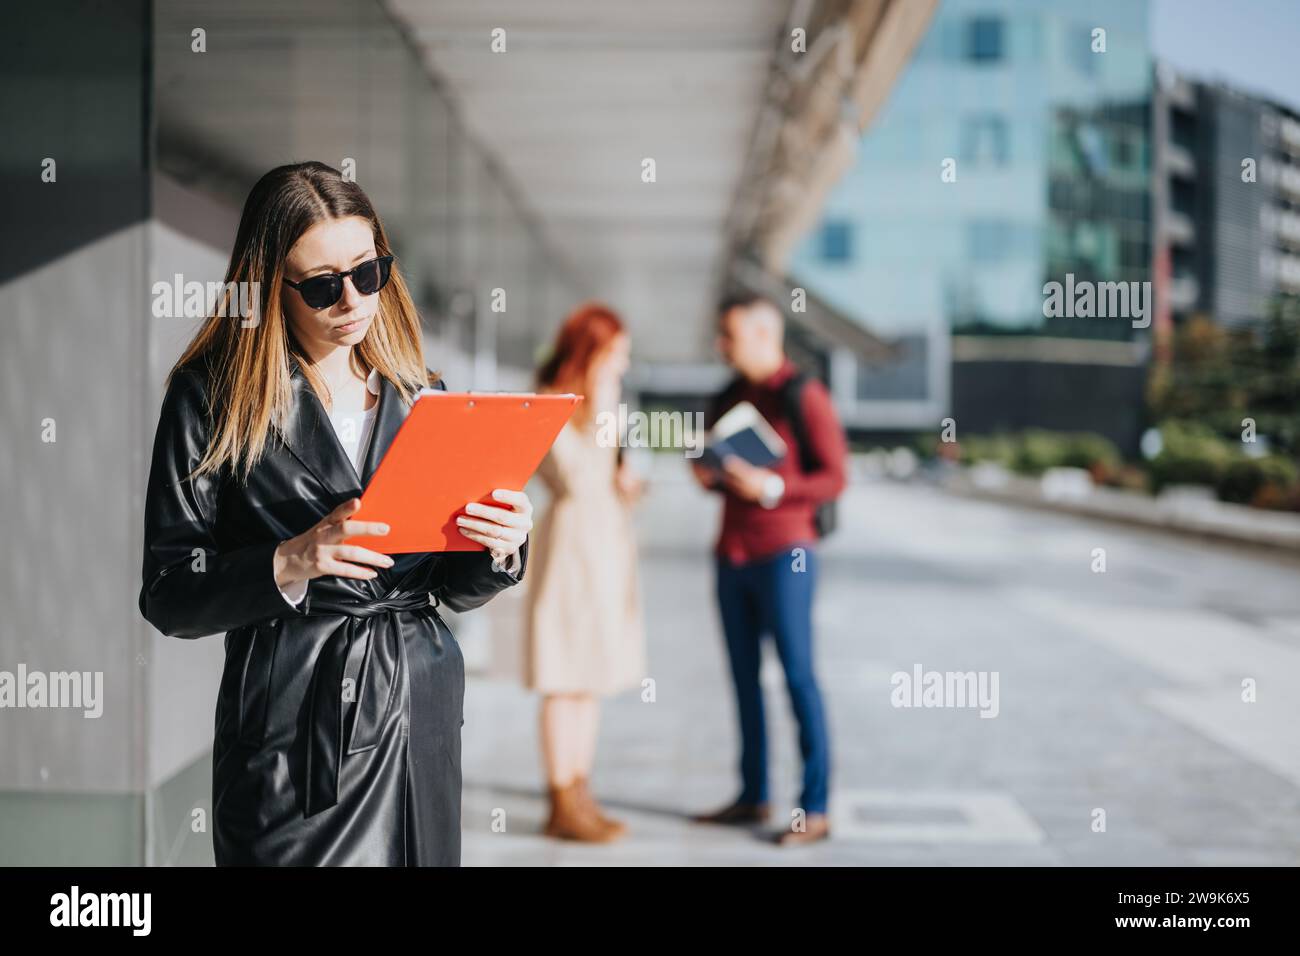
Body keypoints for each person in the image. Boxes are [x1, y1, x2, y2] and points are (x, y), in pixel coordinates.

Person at [139, 161, 533, 866]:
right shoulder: (212, 400)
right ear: (268, 288)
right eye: (322, 286)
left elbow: (445, 585)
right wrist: (290, 560)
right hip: (293, 726)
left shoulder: (424, 396)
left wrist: (497, 549)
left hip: (418, 708)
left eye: (368, 271)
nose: (352, 300)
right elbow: (170, 593)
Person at [691, 293, 847, 846]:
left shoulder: (803, 393)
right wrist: (707, 472)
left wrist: (775, 487)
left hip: (787, 555)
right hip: (731, 555)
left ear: (763, 333)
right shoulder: (729, 393)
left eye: (728, 335)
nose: (720, 345)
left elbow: (834, 477)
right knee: (743, 681)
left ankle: (816, 807)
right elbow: (713, 466)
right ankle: (753, 794)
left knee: (799, 677)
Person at [523, 303, 647, 842]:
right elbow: (572, 477)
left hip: (608, 546)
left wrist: (628, 482)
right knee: (564, 676)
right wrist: (602, 408)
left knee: (592, 676)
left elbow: (608, 478)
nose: (620, 365)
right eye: (614, 353)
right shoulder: (554, 406)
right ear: (589, 352)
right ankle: (560, 799)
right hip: (570, 549)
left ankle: (581, 789)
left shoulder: (606, 410)